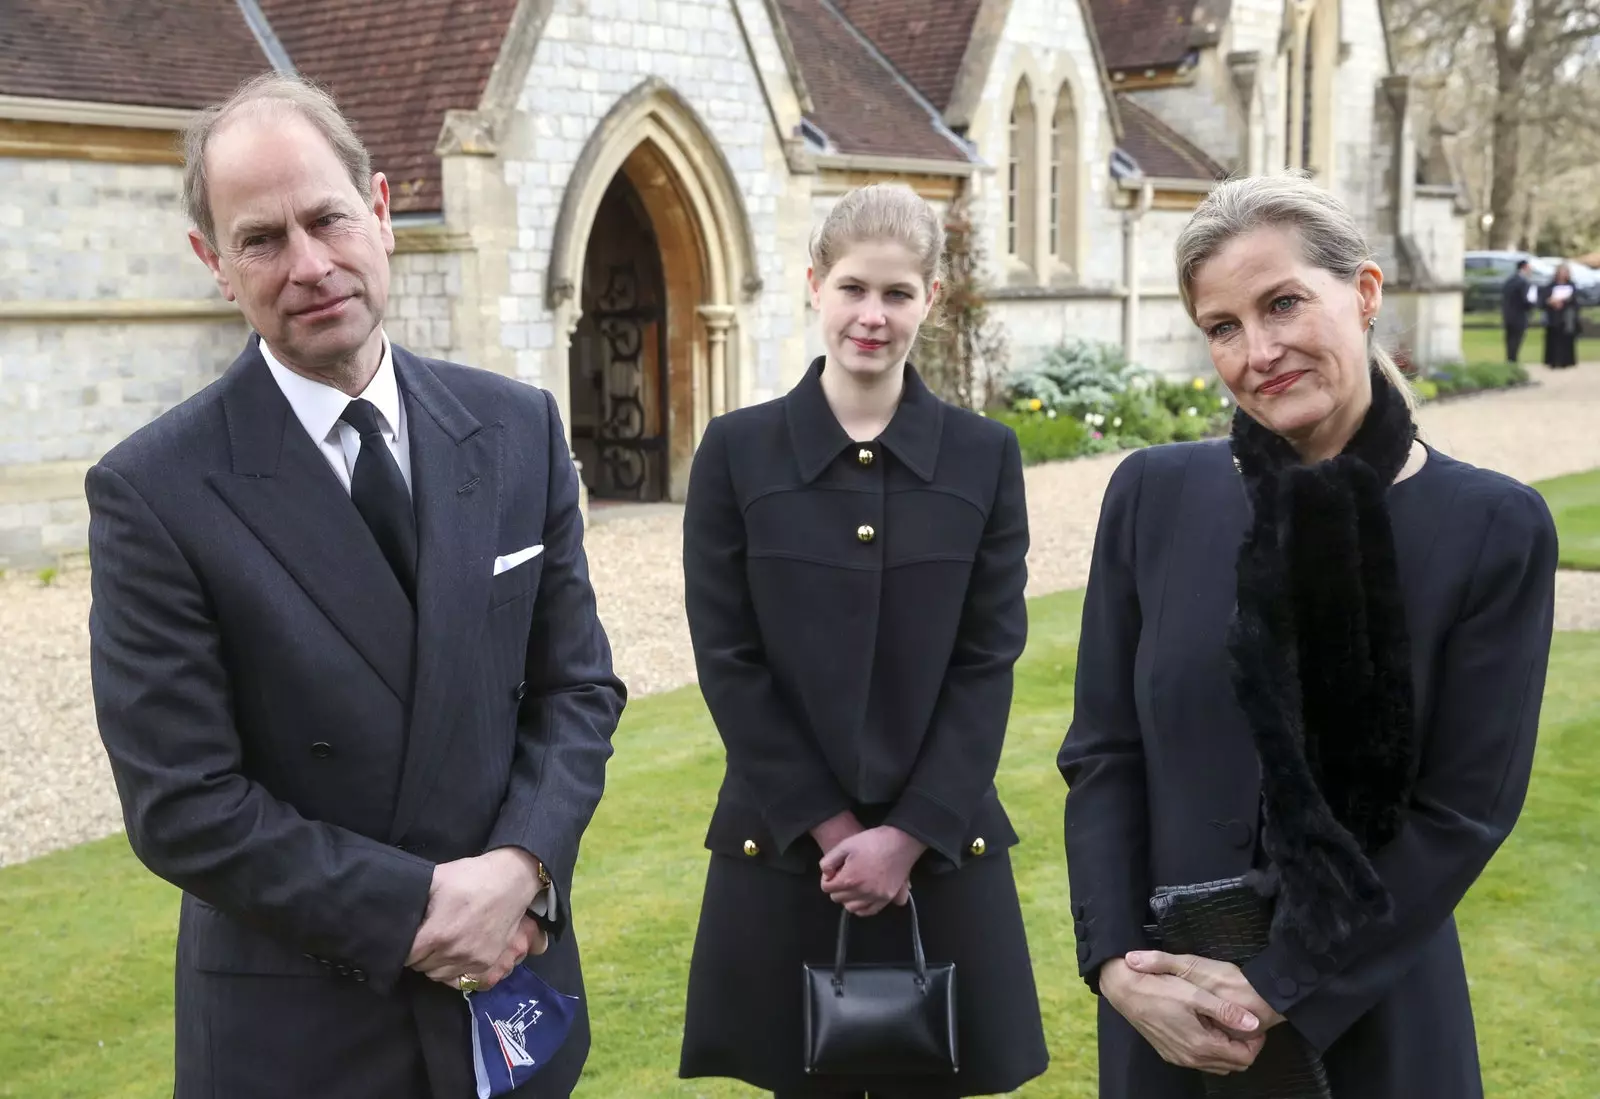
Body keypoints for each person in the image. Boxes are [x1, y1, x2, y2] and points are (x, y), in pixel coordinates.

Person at [85, 73, 624, 1099]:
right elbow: (182, 804)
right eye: (261, 239)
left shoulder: (516, 428)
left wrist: (522, 869)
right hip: (303, 1035)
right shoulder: (154, 490)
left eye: (328, 217)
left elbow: (578, 691)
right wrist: (419, 908)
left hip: (510, 997)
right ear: (214, 265)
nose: (309, 264)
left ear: (379, 211)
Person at [1058, 174, 1557, 1097]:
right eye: (1224, 327)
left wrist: (1278, 983)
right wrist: (1118, 965)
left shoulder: (1493, 525)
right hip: (1168, 1018)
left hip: (1371, 1016)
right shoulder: (1153, 496)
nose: (1260, 350)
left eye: (1283, 302)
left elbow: (1462, 812)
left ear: (1364, 293)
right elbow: (1103, 752)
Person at [677, 183, 1049, 1098]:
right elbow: (729, 660)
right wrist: (836, 828)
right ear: (814, 286)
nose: (871, 316)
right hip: (789, 852)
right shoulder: (735, 452)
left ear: (931, 297)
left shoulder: (984, 454)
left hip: (943, 855)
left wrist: (910, 833)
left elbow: (986, 660)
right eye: (852, 288)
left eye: (896, 293)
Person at [1541, 262, 1583, 369]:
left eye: (1565, 272)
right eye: (1561, 272)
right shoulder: (1551, 285)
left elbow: (1575, 301)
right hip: (1553, 316)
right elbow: (1543, 300)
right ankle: (1553, 361)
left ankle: (1566, 360)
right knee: (1553, 338)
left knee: (1567, 337)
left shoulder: (1571, 285)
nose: (1563, 274)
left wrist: (1564, 301)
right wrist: (1551, 302)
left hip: (1566, 315)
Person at [1500, 257, 1535, 362]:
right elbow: (1527, 300)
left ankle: (1510, 361)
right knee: (1516, 341)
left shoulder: (1509, 281)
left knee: (1509, 341)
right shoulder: (1524, 282)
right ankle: (1513, 362)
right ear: (1525, 267)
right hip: (1519, 315)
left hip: (1508, 315)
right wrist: (1532, 306)